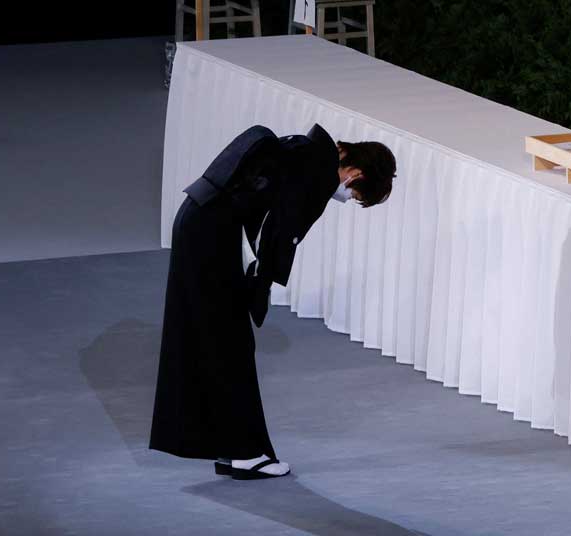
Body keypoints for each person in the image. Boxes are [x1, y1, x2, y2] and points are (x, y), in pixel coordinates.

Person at [149, 123, 396, 480]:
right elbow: (279, 234)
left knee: (215, 343)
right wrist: (257, 291)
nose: (346, 197)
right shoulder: (317, 171)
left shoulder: (306, 149)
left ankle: (233, 449)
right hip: (211, 240)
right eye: (355, 194)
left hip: (198, 223)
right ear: (356, 174)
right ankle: (246, 453)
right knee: (230, 347)